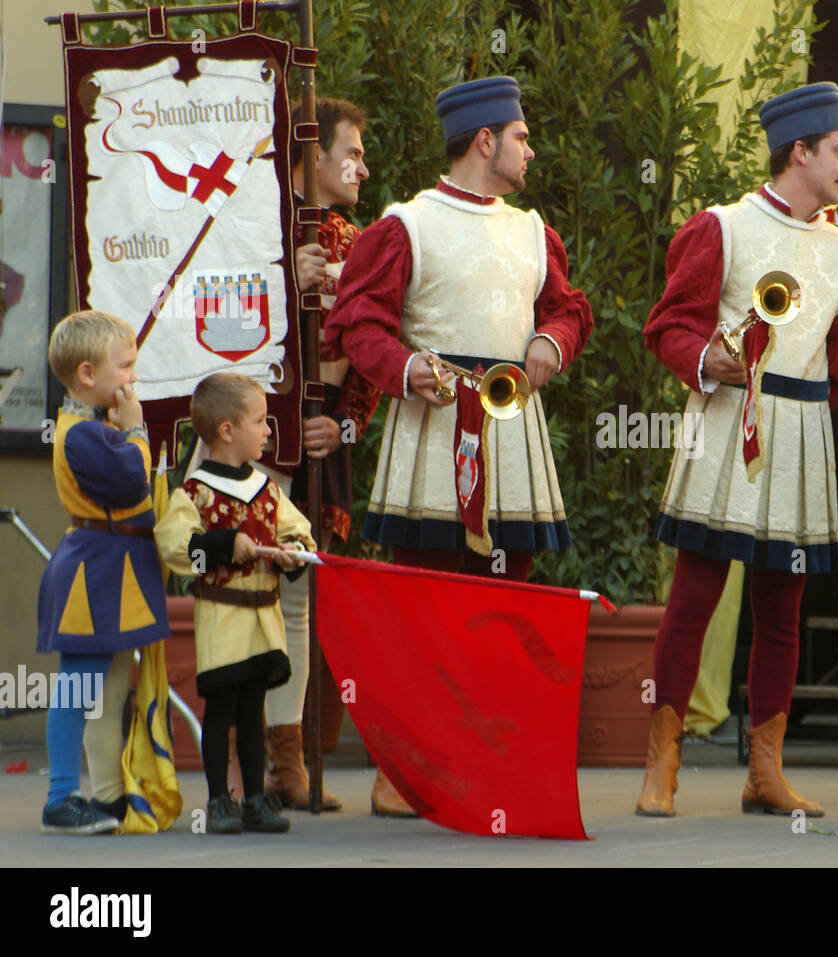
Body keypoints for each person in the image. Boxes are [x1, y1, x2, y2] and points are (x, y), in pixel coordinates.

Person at [324, 75, 593, 817]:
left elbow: (569, 310)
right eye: (523, 136)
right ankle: (401, 770)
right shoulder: (406, 224)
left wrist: (550, 341)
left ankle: (479, 759)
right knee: (421, 602)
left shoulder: (535, 232)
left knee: (508, 603)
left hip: (510, 436)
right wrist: (406, 367)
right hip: (435, 429)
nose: (531, 149)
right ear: (486, 141)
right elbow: (358, 323)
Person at [636, 81, 838, 819]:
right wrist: (708, 359)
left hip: (799, 432)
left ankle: (764, 769)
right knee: (694, 596)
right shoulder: (724, 227)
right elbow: (668, 324)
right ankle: (661, 760)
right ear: (798, 152)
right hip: (723, 420)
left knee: (783, 609)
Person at [261, 96, 380, 812]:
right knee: (245, 597)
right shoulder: (257, 229)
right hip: (255, 437)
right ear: (310, 157)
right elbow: (216, 326)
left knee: (300, 601)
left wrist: (346, 425)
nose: (362, 166)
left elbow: (375, 349)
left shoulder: (363, 243)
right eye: (352, 152)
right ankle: (252, 758)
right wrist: (281, 285)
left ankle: (293, 763)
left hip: (318, 437)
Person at [156, 373, 315, 834]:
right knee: (221, 710)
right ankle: (219, 799)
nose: (269, 431)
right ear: (227, 431)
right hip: (223, 620)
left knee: (253, 711)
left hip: (263, 619)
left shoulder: (266, 489)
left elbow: (297, 530)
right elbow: (176, 546)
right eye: (261, 422)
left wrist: (290, 555)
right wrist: (225, 546)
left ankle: (255, 800)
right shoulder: (196, 492)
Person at [36, 310, 171, 833]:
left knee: (98, 684)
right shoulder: (82, 435)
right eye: (125, 366)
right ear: (89, 376)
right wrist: (136, 430)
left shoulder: (88, 426)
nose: (132, 377)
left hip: (107, 566)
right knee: (78, 684)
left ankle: (99, 794)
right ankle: (61, 797)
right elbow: (132, 482)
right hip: (95, 571)